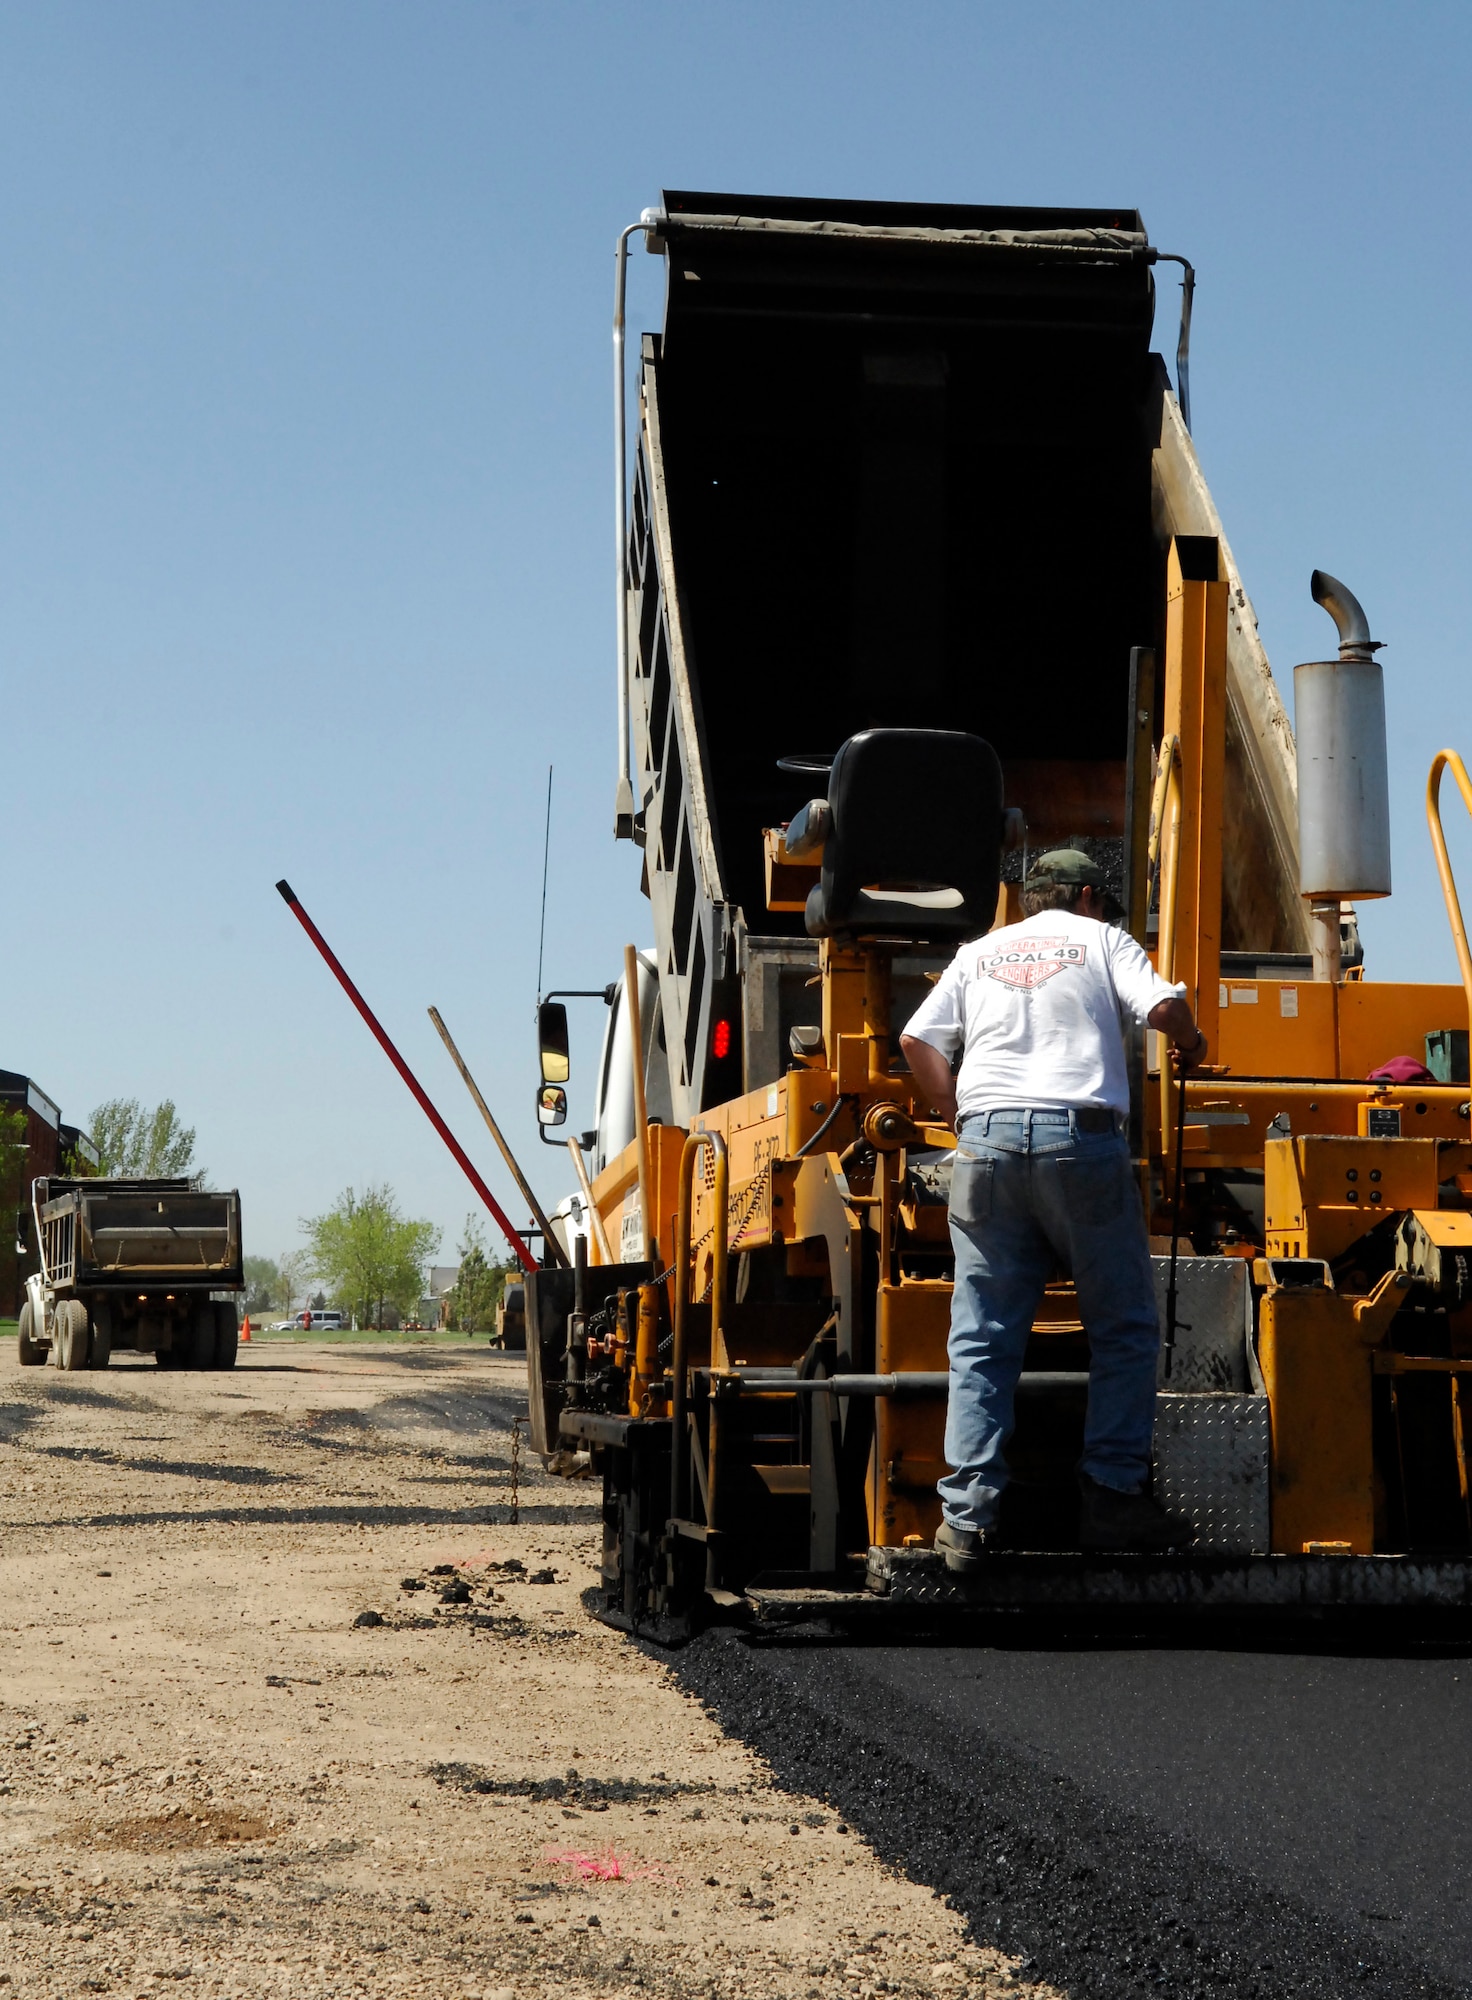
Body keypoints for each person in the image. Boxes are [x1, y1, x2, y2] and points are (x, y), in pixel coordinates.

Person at [899, 847, 1208, 1567]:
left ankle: (969, 1521)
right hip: (1081, 1142)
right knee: (1124, 1329)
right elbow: (1162, 1007)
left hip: (984, 1146)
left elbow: (917, 1039)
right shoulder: (1103, 940)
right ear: (1091, 898)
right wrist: (1192, 1040)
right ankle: (1111, 1497)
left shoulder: (979, 951)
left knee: (983, 1337)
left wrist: (955, 1112)